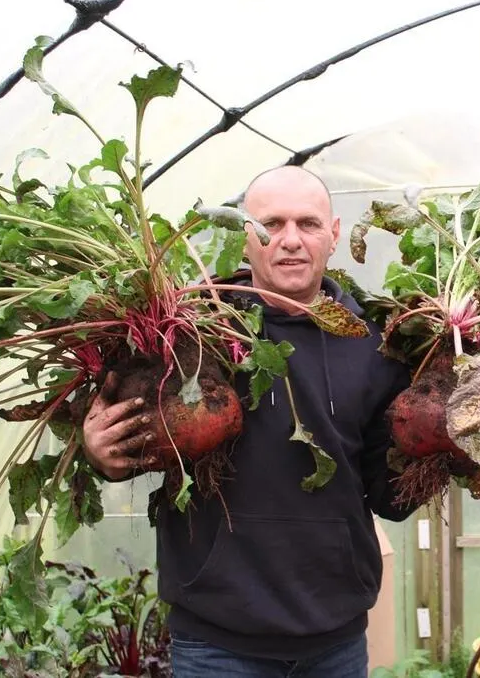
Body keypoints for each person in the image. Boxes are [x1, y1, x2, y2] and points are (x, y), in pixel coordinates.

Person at [81, 165, 418, 677]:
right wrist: (105, 455)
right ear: (244, 238)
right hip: (216, 641)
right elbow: (139, 436)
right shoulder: (191, 331)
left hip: (335, 640)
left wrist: (444, 447)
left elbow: (388, 494)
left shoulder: (373, 344)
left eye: (307, 224)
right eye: (270, 225)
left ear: (334, 234)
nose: (289, 241)